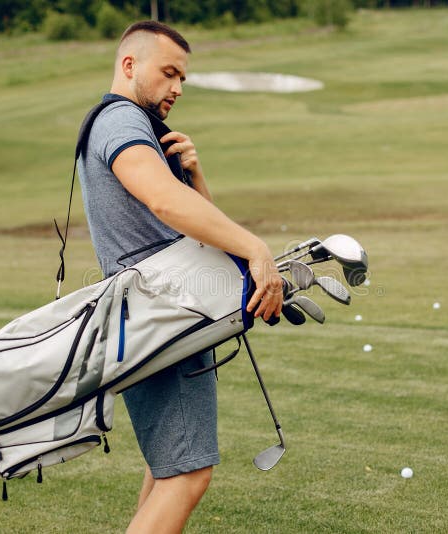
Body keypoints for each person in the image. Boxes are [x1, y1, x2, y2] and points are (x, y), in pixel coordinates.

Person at [77, 21, 283, 533]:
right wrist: (256, 248)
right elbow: (164, 203)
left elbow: (196, 220)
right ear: (130, 66)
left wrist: (195, 174)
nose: (178, 88)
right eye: (169, 73)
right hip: (163, 311)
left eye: (183, 78)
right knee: (187, 474)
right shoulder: (122, 120)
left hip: (156, 314)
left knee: (167, 466)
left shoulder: (139, 129)